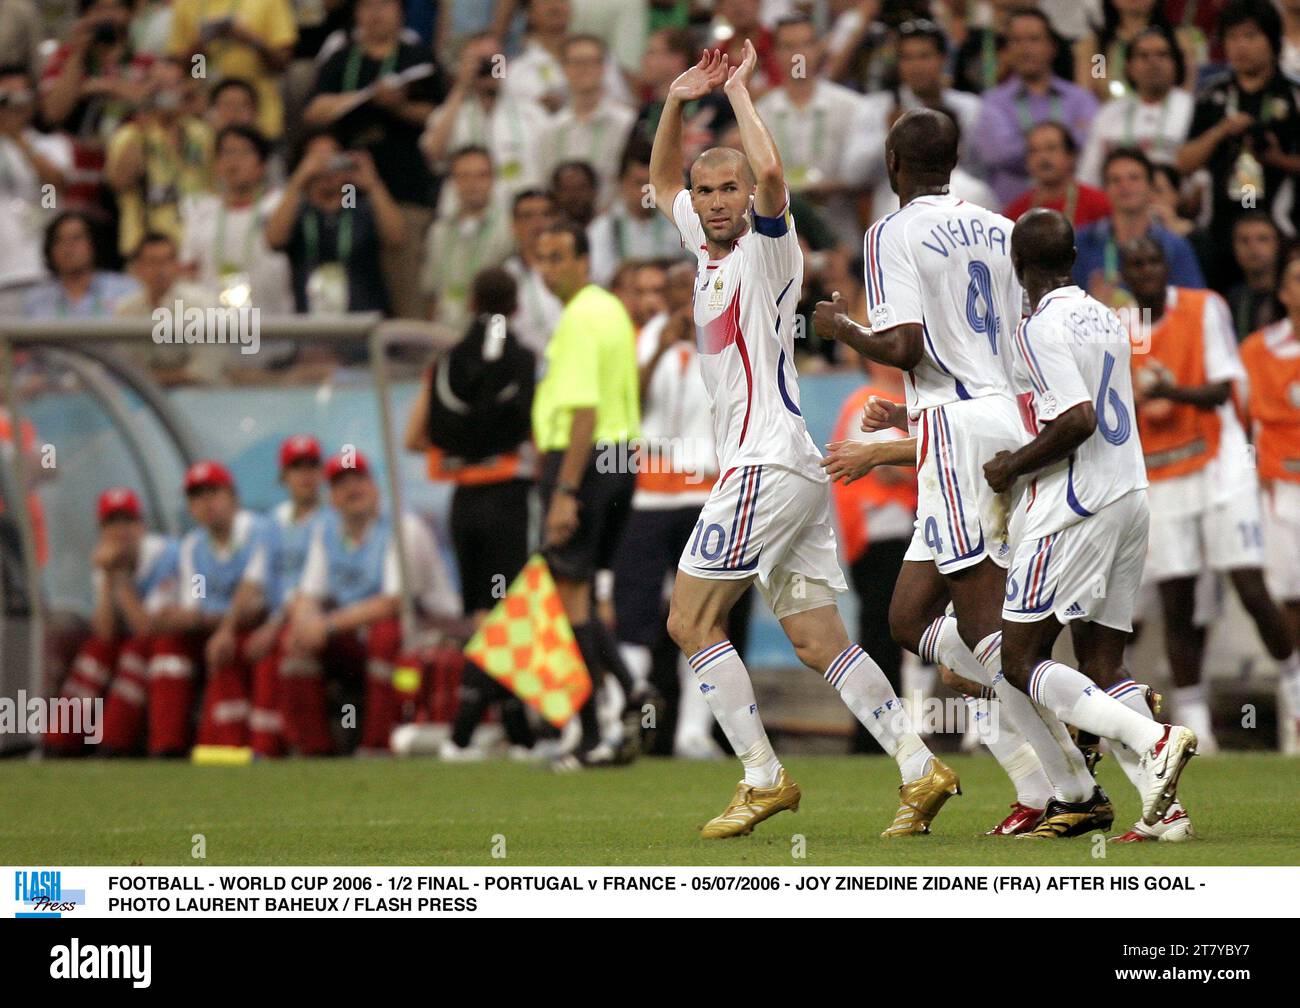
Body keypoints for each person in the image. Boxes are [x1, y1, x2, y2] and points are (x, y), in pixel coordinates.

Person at [653, 45, 953, 839]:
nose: (718, 202)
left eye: (730, 189)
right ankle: (919, 768)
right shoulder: (703, 249)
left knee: (689, 621)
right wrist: (676, 102)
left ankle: (762, 776)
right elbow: (657, 184)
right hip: (793, 467)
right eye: (707, 191)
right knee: (819, 639)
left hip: (763, 463)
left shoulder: (766, 248)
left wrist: (744, 92)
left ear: (747, 195)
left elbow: (777, 178)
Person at [813, 108, 1122, 839]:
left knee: (990, 633)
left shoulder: (889, 232)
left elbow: (907, 342)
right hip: (1001, 417)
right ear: (952, 162)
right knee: (909, 618)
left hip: (959, 424)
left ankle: (1078, 776)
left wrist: (843, 328)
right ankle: (1055, 731)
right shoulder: (999, 225)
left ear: (893, 163)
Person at [984, 209, 1197, 839]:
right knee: (1104, 660)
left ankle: (1151, 738)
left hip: (1077, 506)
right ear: (1075, 259)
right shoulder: (1107, 315)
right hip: (1132, 494)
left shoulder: (1037, 326)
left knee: (1019, 658)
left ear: (1018, 268)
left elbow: (1075, 420)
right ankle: (1169, 815)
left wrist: (1010, 467)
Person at [1120, 235, 1300, 754]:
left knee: (1248, 583)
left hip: (1222, 468)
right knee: (1177, 601)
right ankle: (1194, 725)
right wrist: (1136, 398)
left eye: (1154, 258)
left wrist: (1165, 390)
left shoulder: (1204, 309)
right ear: (1127, 275)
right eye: (1137, 261)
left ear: (1167, 263)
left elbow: (1223, 388)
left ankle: (1292, 685)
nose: (1148, 268)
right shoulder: (1120, 330)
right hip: (1164, 473)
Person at [402, 267, 538, 761]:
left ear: (472, 301)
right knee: (505, 615)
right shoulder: (523, 360)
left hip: (464, 500)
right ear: (517, 306)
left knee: (482, 615)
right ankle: (487, 733)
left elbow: (413, 437)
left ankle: (496, 730)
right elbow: (538, 435)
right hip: (508, 496)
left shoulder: (445, 361)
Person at [611, 260, 735, 760]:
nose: (681, 297)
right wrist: (663, 348)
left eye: (689, 287)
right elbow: (629, 404)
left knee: (702, 614)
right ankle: (623, 721)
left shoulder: (726, 333)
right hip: (651, 495)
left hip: (705, 496)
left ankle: (693, 731)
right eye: (672, 289)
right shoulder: (648, 338)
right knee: (635, 614)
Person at [531, 217, 643, 765]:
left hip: (582, 462)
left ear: (583, 260)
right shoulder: (610, 309)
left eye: (558, 256)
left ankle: (594, 728)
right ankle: (626, 693)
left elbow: (582, 413)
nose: (547, 269)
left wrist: (564, 490)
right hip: (621, 458)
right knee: (579, 592)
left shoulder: (577, 319)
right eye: (541, 258)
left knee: (567, 597)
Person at [282, 449, 457, 754]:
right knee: (294, 641)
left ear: (375, 487)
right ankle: (315, 749)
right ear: (332, 497)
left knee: (384, 636)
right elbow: (308, 594)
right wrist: (305, 623)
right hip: (358, 629)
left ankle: (377, 744)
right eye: (341, 483)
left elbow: (394, 603)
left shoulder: (404, 527)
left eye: (359, 479)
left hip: (429, 629)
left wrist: (326, 624)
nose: (352, 489)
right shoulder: (326, 531)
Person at [304, 0, 448, 320]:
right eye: (368, 6)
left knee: (405, 283)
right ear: (357, 15)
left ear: (400, 13)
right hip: (348, 193)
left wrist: (397, 106)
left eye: (384, 5)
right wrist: (365, 96)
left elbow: (437, 114)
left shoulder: (418, 56)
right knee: (352, 284)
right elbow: (313, 110)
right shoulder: (342, 58)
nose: (376, 13)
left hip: (404, 187)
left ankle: (413, 360)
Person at [145, 461, 277, 755]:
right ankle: (167, 746)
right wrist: (172, 618)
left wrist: (223, 627)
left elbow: (252, 592)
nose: (206, 503)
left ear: (233, 497)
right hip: (219, 629)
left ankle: (246, 745)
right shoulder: (193, 545)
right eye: (196, 496)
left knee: (227, 648)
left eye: (213, 493)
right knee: (169, 647)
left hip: (255, 627)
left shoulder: (258, 530)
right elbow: (198, 603)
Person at [822, 360, 918, 755]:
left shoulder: (885, 403)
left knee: (888, 634)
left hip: (881, 531)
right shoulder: (870, 403)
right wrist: (939, 465)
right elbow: (887, 473)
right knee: (886, 634)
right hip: (883, 529)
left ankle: (881, 732)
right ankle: (877, 734)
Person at [1175, 0, 1300, 290]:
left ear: (1273, 41)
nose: (1240, 46)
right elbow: (1183, 162)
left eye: (1250, 36)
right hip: (1221, 227)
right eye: (1232, 37)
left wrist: (1277, 159)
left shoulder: (1293, 96)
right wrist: (1220, 131)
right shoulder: (1211, 96)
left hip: (1281, 225)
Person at [45, 488, 176, 756]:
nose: (120, 531)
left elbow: (146, 627)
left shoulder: (166, 556)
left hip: (163, 639)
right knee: (95, 652)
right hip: (129, 638)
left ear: (142, 526)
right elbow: (105, 633)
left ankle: (115, 741)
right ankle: (60, 740)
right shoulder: (104, 561)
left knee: (136, 652)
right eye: (112, 523)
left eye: (128, 521)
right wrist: (107, 577)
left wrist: (117, 577)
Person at [1239, 248, 1300, 746]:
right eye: (1297, 279)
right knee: (1287, 604)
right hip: (1279, 490)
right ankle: (1291, 721)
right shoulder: (1257, 350)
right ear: (1282, 292)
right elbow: (1239, 425)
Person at [755, 14, 871, 248]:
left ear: (819, 49)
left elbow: (866, 175)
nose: (798, 55)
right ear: (775, 54)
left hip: (841, 235)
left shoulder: (852, 107)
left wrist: (837, 185)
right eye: (788, 46)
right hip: (782, 239)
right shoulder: (759, 114)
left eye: (805, 44)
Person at [243, 434, 324, 757]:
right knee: (239, 642)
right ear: (283, 476)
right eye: (296, 467)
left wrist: (273, 625)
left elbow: (313, 588)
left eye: (311, 466)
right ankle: (237, 740)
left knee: (285, 643)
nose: (305, 475)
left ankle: (300, 743)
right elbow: (253, 581)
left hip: (315, 617)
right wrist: (226, 625)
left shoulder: (330, 520)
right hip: (279, 619)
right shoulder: (271, 523)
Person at [265, 132, 404, 316]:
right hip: (311, 324)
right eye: (317, 159)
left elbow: (397, 237)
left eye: (333, 158)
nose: (327, 167)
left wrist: (372, 183)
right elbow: (273, 239)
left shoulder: (357, 206)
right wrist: (299, 180)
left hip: (363, 320)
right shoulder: (299, 211)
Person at [975, 8, 1099, 208]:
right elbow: (999, 153)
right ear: (1006, 50)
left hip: (1074, 210)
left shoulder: (1080, 99)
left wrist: (1027, 146)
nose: (1025, 49)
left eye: (1034, 39)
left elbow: (1090, 148)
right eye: (1016, 41)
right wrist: (1060, 150)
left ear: (1052, 47)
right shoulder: (993, 102)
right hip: (1010, 212)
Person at [420, 32, 550, 217]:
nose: (489, 66)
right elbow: (433, 153)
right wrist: (461, 87)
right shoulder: (449, 113)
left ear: (505, 64)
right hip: (463, 220)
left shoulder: (531, 113)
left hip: (518, 217)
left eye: (495, 59)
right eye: (481, 61)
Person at [103, 57, 212, 260]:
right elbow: (121, 182)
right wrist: (143, 117)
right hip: (146, 250)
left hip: (196, 246)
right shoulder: (129, 135)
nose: (169, 93)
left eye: (175, 84)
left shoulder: (201, 132)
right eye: (161, 86)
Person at [179, 124, 293, 315]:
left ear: (262, 165)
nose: (234, 161)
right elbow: (189, 271)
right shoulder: (200, 211)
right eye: (227, 152)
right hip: (214, 330)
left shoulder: (279, 205)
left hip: (273, 325)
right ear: (216, 165)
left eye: (244, 152)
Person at [1073, 146, 1205, 305]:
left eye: (1134, 178)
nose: (1125, 185)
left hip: (1156, 328)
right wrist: (1092, 307)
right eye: (1115, 180)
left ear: (1150, 187)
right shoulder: (1082, 243)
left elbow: (1193, 306)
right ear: (1105, 190)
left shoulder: (1174, 246)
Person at [1077, 26, 1195, 187]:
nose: (1153, 62)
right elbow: (1087, 178)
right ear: (1129, 67)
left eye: (1162, 54)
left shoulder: (1193, 109)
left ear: (1176, 64)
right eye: (1143, 56)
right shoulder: (1107, 113)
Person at [166, 0, 296, 140]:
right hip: (206, 116)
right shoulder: (185, 4)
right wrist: (201, 47)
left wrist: (251, 40)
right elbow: (182, 68)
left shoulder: (270, 2)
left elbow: (282, 63)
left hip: (261, 116)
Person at [420, 145, 514, 335]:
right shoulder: (438, 232)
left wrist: (497, 341)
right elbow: (431, 295)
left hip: (490, 330)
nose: (473, 184)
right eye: (465, 176)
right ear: (453, 181)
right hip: (445, 332)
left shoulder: (509, 230)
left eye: (481, 175)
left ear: (493, 179)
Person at [114, 231, 224, 385]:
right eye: (153, 261)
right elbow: (123, 368)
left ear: (178, 266)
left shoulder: (203, 304)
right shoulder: (126, 309)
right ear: (138, 268)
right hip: (143, 398)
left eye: (168, 261)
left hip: (200, 397)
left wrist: (149, 378)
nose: (161, 269)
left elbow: (204, 371)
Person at [540, 34, 635, 210]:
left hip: (612, 223)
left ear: (604, 67)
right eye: (575, 62)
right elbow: (545, 181)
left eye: (591, 62)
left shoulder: (626, 123)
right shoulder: (550, 129)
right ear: (563, 68)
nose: (583, 69)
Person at [0, 66, 72, 298]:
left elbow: (52, 191)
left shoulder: (51, 145)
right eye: (6, 97)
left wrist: (20, 142)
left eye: (23, 96)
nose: (15, 104)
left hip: (40, 271)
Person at [586, 141, 686, 286]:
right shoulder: (603, 229)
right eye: (639, 183)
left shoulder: (678, 224)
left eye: (651, 184)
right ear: (622, 183)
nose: (646, 192)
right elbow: (600, 277)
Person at [24, 211, 138, 318]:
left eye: (76, 238)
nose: (68, 247)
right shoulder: (35, 300)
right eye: (59, 240)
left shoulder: (126, 291)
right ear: (50, 250)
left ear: (93, 244)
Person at [1004, 121, 1111, 227]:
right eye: (1034, 151)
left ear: (1071, 156)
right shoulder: (1016, 213)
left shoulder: (1099, 205)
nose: (1043, 157)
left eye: (1051, 148)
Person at [501, 189, 562, 354]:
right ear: (514, 226)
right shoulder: (504, 277)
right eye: (528, 216)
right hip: (521, 368)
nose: (538, 224)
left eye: (546, 215)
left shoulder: (573, 270)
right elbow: (495, 329)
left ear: (557, 221)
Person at [1225, 211, 1284, 341]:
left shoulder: (1293, 295)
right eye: (1244, 241)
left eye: (1262, 239)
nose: (1253, 247)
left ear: (1278, 245)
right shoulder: (1232, 299)